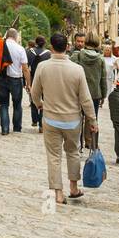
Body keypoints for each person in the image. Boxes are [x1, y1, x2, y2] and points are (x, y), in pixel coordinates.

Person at [29, 32, 98, 205]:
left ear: (51, 47)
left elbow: (34, 92)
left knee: (53, 156)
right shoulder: (77, 69)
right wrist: (93, 120)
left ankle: (58, 194)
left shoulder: (43, 67)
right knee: (73, 153)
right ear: (67, 46)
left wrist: (39, 104)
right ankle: (73, 188)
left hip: (51, 119)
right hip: (72, 120)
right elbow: (86, 99)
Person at [70, 34, 108, 148]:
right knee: (92, 117)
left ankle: (77, 141)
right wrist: (103, 95)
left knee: (78, 117)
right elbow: (103, 78)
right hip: (95, 93)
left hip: (79, 92)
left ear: (85, 42)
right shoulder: (101, 59)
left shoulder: (78, 55)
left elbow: (71, 73)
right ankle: (90, 142)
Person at [0, 28, 31, 135]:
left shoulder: (0, 46)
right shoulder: (20, 48)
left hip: (2, 78)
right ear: (16, 36)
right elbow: (25, 68)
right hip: (16, 79)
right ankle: (16, 128)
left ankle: (5, 129)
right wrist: (28, 83)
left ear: (7, 35)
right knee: (17, 105)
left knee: (3, 104)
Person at [25, 36, 50, 132]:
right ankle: (41, 125)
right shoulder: (48, 54)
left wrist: (26, 82)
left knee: (33, 98)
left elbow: (26, 67)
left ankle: (34, 119)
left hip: (33, 78)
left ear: (36, 42)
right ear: (44, 43)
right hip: (44, 79)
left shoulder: (29, 52)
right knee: (44, 100)